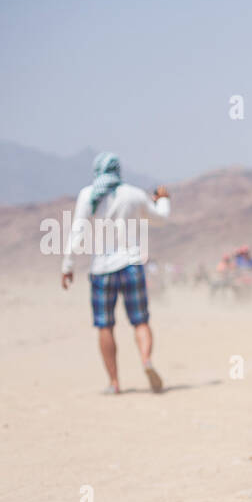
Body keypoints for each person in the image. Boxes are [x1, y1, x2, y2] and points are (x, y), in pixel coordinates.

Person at [60, 152, 169, 394]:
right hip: (132, 264)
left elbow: (77, 231)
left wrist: (67, 266)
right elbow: (160, 219)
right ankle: (146, 360)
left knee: (105, 325)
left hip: (102, 270)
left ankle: (114, 382)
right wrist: (162, 199)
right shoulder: (133, 194)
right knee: (140, 321)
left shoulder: (88, 195)